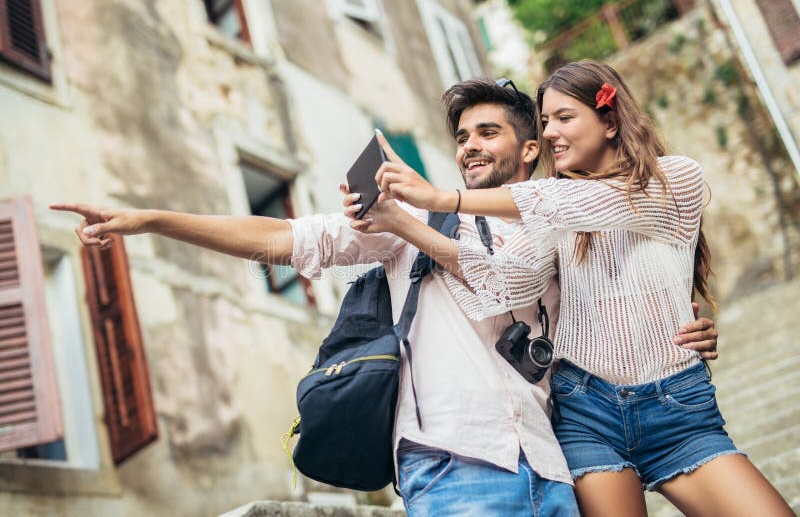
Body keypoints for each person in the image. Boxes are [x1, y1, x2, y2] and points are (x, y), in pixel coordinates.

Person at [50, 77, 719, 516]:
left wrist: (693, 327)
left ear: (531, 147)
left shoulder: (563, 237)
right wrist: (149, 220)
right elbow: (280, 239)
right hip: (454, 463)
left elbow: (623, 303)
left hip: (552, 467)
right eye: (461, 138)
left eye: (488, 133)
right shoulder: (410, 225)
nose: (470, 147)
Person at [360, 62, 792, 516]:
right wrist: (403, 225)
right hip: (588, 411)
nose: (549, 133)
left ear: (609, 119)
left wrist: (442, 198)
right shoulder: (549, 218)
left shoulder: (676, 178)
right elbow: (503, 280)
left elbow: (581, 202)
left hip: (679, 409)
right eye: (545, 122)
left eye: (564, 118)